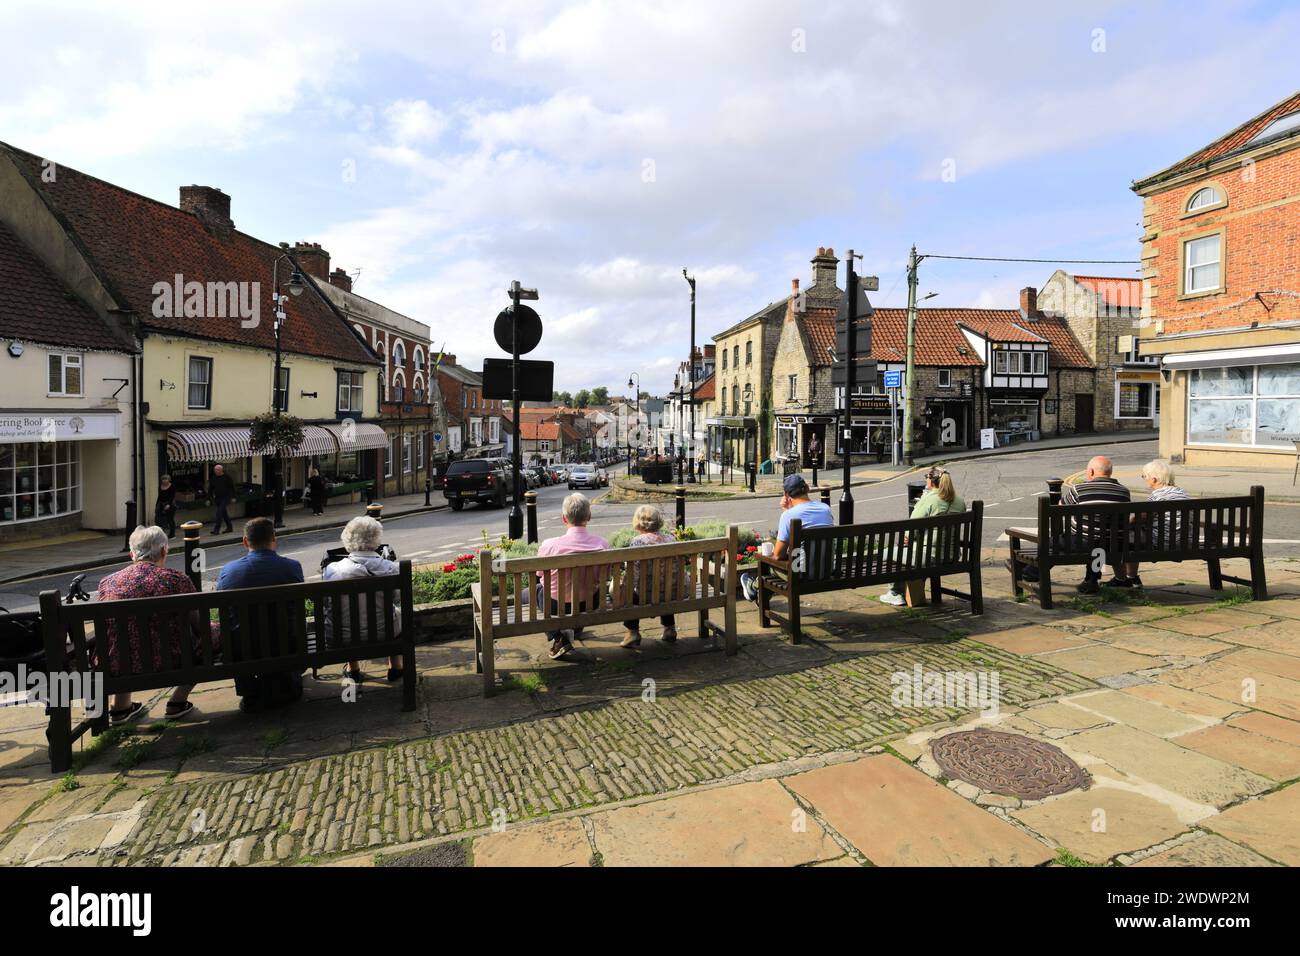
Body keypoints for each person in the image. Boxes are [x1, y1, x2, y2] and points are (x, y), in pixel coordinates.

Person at [96, 525, 214, 724]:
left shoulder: (107, 582)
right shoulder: (176, 580)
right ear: (163, 551)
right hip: (171, 658)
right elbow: (200, 625)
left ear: (131, 553)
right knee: (210, 637)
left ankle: (121, 707)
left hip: (119, 662)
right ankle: (177, 701)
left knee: (126, 639)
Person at [216, 518, 306, 711]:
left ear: (245, 541)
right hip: (286, 643)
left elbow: (225, 614)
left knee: (240, 633)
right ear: (274, 537)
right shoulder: (292, 567)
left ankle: (250, 692)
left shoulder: (228, 571)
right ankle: (287, 684)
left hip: (242, 649)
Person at [321, 516, 404, 684]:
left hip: (341, 636)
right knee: (395, 613)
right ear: (376, 539)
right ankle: (395, 667)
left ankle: (353, 669)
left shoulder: (333, 570)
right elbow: (398, 598)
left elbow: (326, 603)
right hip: (384, 633)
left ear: (347, 540)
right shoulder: (390, 569)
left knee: (346, 615)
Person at [536, 493, 609, 660]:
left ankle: (558, 636)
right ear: (589, 516)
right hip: (590, 603)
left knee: (532, 592)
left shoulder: (550, 545)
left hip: (556, 605)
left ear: (564, 518)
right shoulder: (602, 544)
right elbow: (606, 576)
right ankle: (574, 629)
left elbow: (539, 575)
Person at [740, 474, 834, 602]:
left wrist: (786, 511)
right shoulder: (825, 509)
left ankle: (753, 588)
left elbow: (778, 555)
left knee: (768, 566)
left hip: (800, 574)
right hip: (827, 572)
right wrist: (787, 511)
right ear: (807, 488)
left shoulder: (788, 516)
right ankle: (754, 590)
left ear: (786, 495)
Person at [880, 468, 966, 606]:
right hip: (952, 556)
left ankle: (895, 593)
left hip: (928, 557)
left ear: (931, 481)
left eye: (926, 476)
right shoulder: (960, 502)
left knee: (888, 552)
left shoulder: (929, 500)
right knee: (907, 552)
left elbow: (911, 528)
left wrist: (908, 539)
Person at [1061, 454, 1132, 594]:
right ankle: (1091, 580)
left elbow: (1060, 507)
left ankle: (1031, 571)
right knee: (1097, 541)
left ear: (1092, 472)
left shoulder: (1079, 489)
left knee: (1055, 541)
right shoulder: (1124, 492)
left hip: (1084, 543)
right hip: (1112, 544)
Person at [1117, 460, 1191, 589]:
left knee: (1128, 535)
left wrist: (1129, 522)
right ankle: (1131, 577)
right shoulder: (1183, 494)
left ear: (1154, 479)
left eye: (1145, 476)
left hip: (1163, 543)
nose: (1144, 479)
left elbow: (1141, 519)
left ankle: (1131, 577)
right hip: (1185, 543)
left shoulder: (1157, 496)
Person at [621, 505, 678, 647]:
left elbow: (633, 574)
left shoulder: (638, 542)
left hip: (645, 595)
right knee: (664, 585)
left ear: (639, 522)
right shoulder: (671, 538)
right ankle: (669, 628)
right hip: (672, 592)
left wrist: (622, 585)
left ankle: (632, 632)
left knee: (630, 593)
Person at [209, 464, 235, 535]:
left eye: (217, 470)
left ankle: (216, 529)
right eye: (215, 470)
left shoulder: (227, 477)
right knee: (224, 513)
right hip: (218, 498)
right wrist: (209, 497)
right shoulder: (213, 478)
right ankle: (229, 527)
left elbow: (232, 487)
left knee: (219, 512)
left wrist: (233, 497)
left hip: (226, 497)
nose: (216, 471)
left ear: (221, 470)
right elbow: (210, 488)